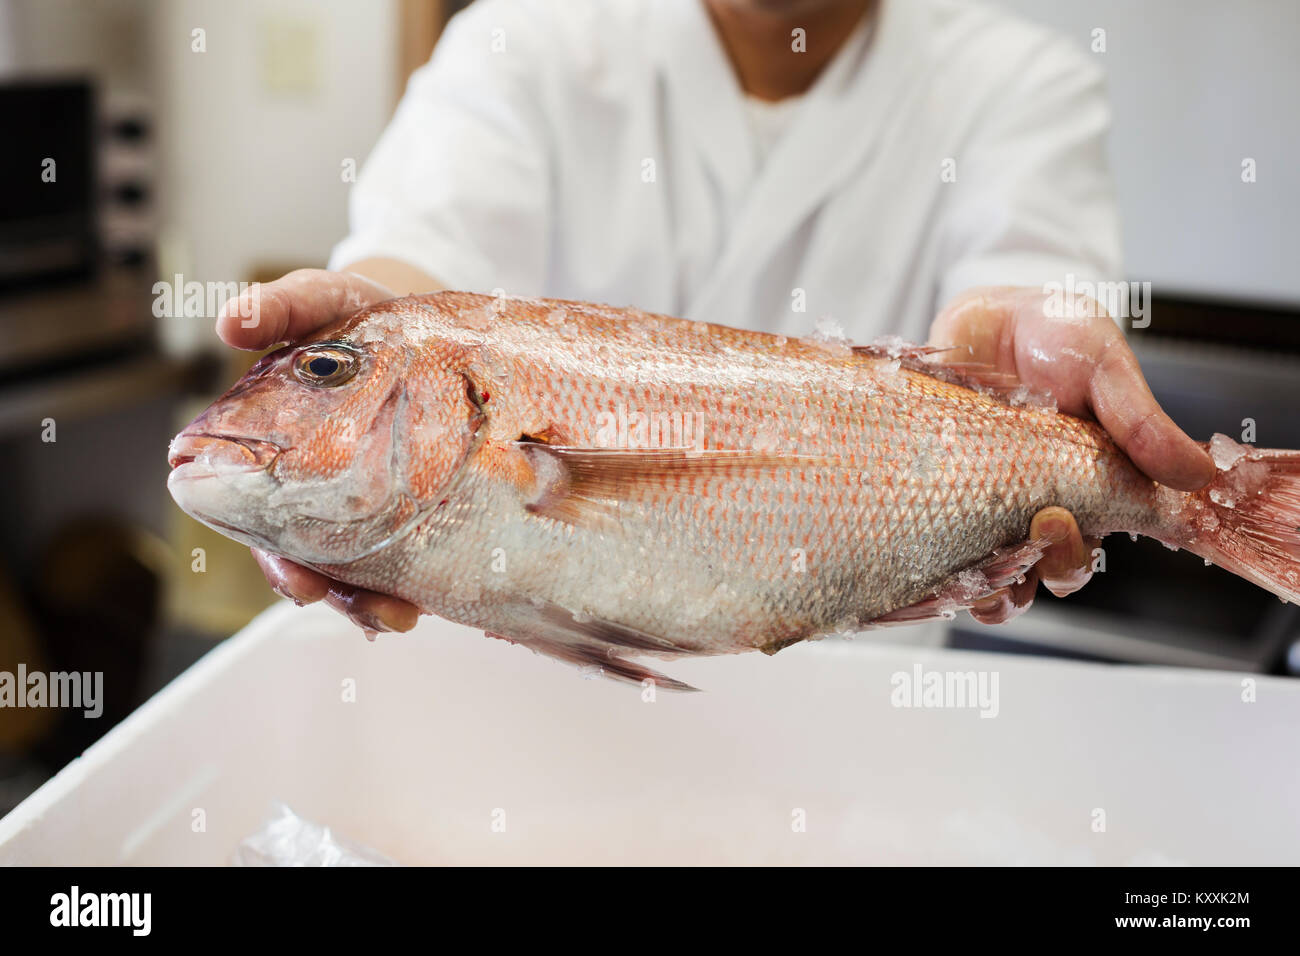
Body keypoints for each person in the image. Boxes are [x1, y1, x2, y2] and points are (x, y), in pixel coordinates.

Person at [216, 0, 1214, 635]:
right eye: (330, 375)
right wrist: (358, 340)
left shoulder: (1017, 82)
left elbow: (1029, 284)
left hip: (858, 698)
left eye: (329, 375)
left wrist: (1039, 359)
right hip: (521, 696)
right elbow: (415, 263)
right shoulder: (518, 40)